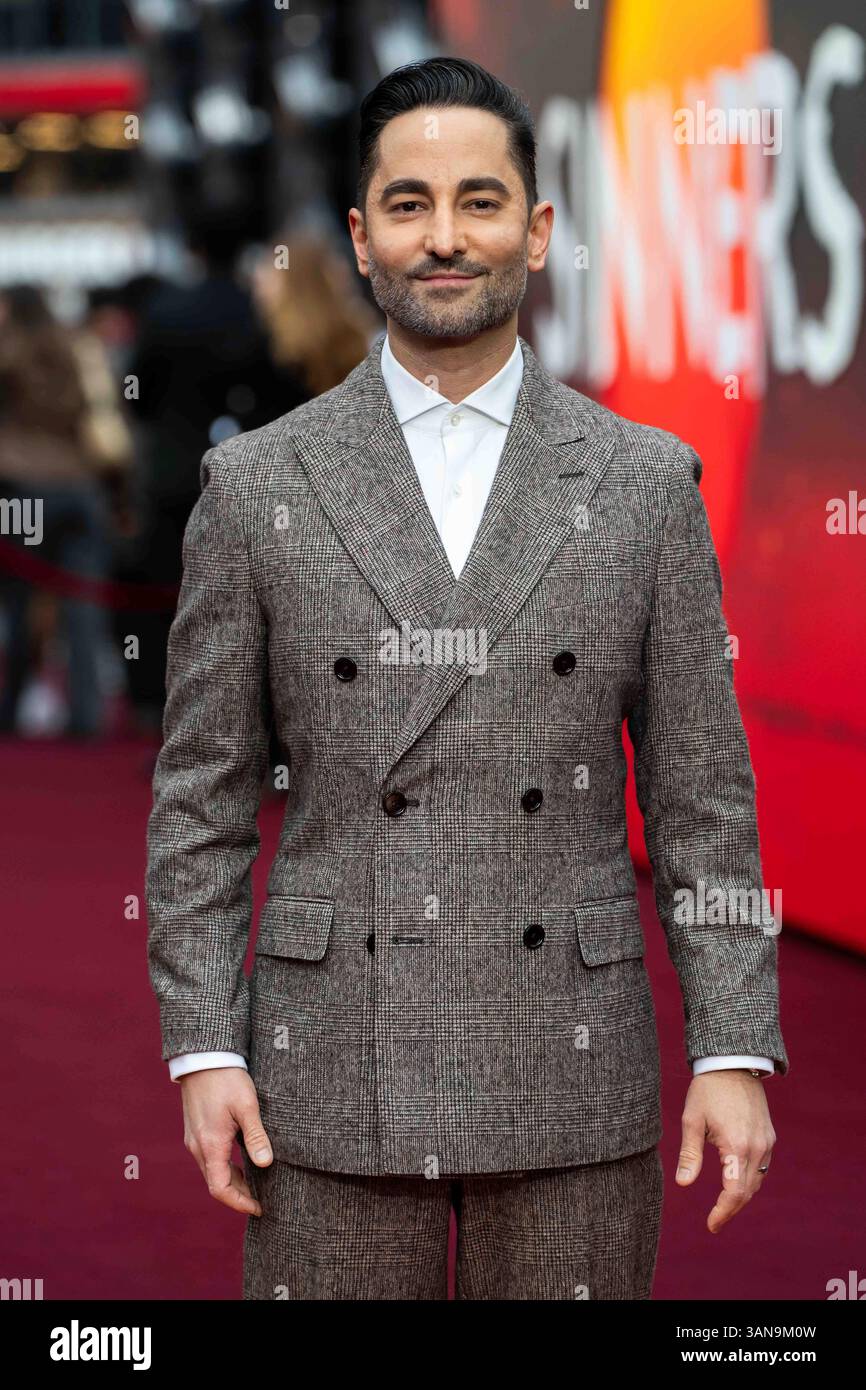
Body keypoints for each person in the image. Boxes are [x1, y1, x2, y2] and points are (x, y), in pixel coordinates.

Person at [145, 56, 788, 1301]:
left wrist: (733, 1043)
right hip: (325, 1071)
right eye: (408, 205)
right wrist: (203, 1043)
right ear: (360, 236)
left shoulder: (642, 482)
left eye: (480, 201)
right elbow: (200, 805)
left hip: (570, 1061)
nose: (446, 238)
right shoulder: (258, 488)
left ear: (538, 231)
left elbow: (703, 800)